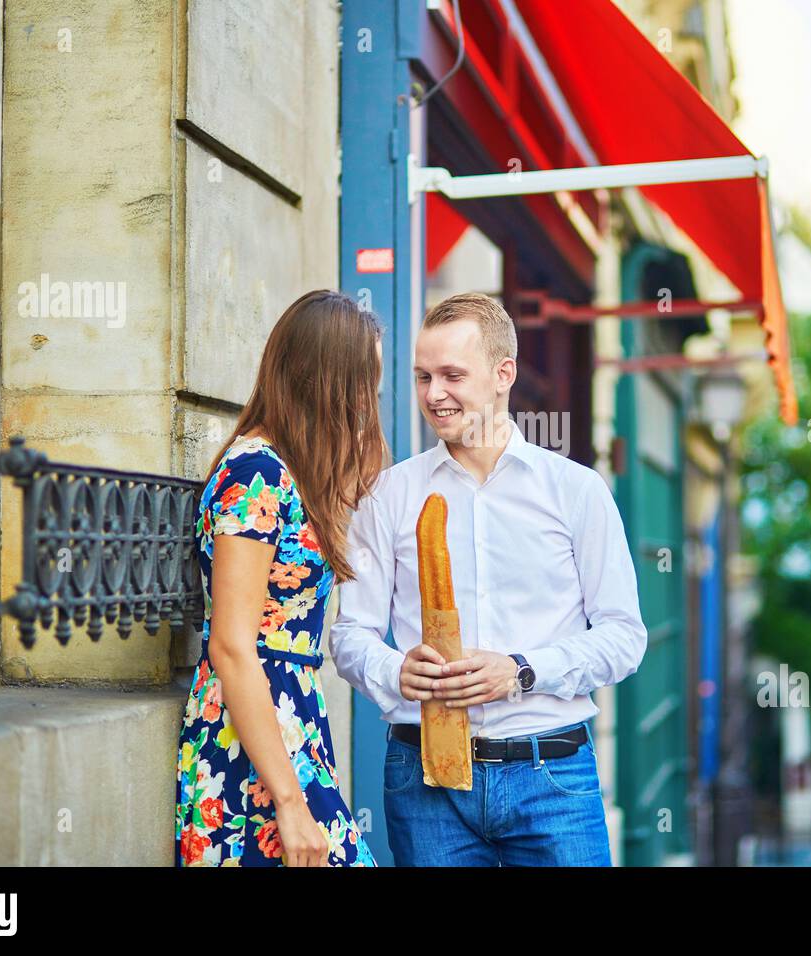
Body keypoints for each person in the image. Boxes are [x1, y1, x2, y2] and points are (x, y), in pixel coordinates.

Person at [330, 292, 647, 866]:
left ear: (504, 374)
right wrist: (395, 669)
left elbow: (624, 637)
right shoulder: (388, 495)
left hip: (552, 778)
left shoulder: (577, 492)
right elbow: (350, 635)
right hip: (421, 779)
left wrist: (520, 671)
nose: (433, 394)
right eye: (424, 376)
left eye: (453, 375)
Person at [176, 290, 387, 867]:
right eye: (362, 381)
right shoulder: (257, 474)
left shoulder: (289, 470)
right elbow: (231, 644)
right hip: (251, 735)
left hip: (287, 719)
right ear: (327, 381)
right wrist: (291, 805)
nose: (370, 400)